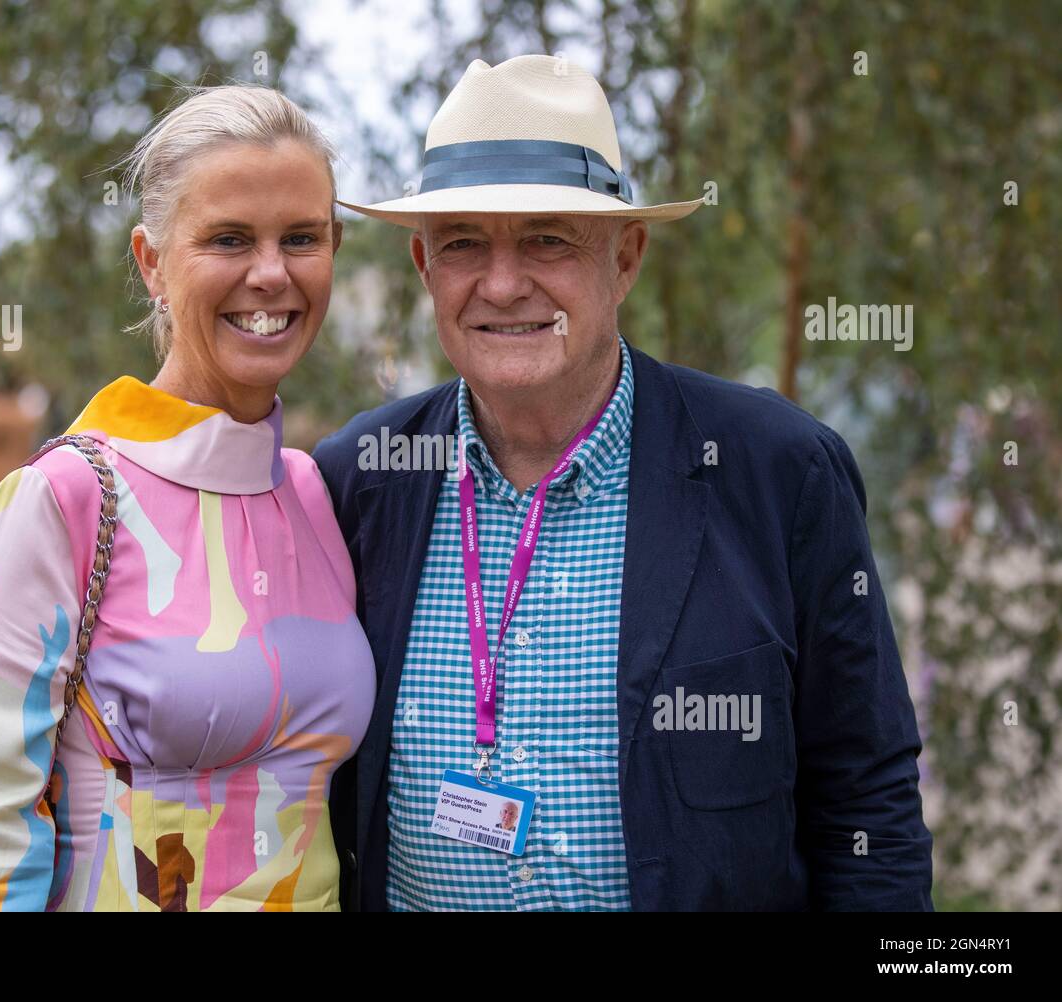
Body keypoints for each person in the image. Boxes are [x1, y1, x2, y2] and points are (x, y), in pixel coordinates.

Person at [315, 55, 933, 911]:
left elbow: (867, 802)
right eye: (463, 243)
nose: (502, 283)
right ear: (424, 267)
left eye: (548, 238)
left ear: (626, 258)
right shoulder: (356, 484)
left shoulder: (778, 471)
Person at [0, 84, 375, 911]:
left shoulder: (316, 494)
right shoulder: (62, 499)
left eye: (302, 239)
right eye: (229, 239)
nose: (271, 273)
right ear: (151, 261)